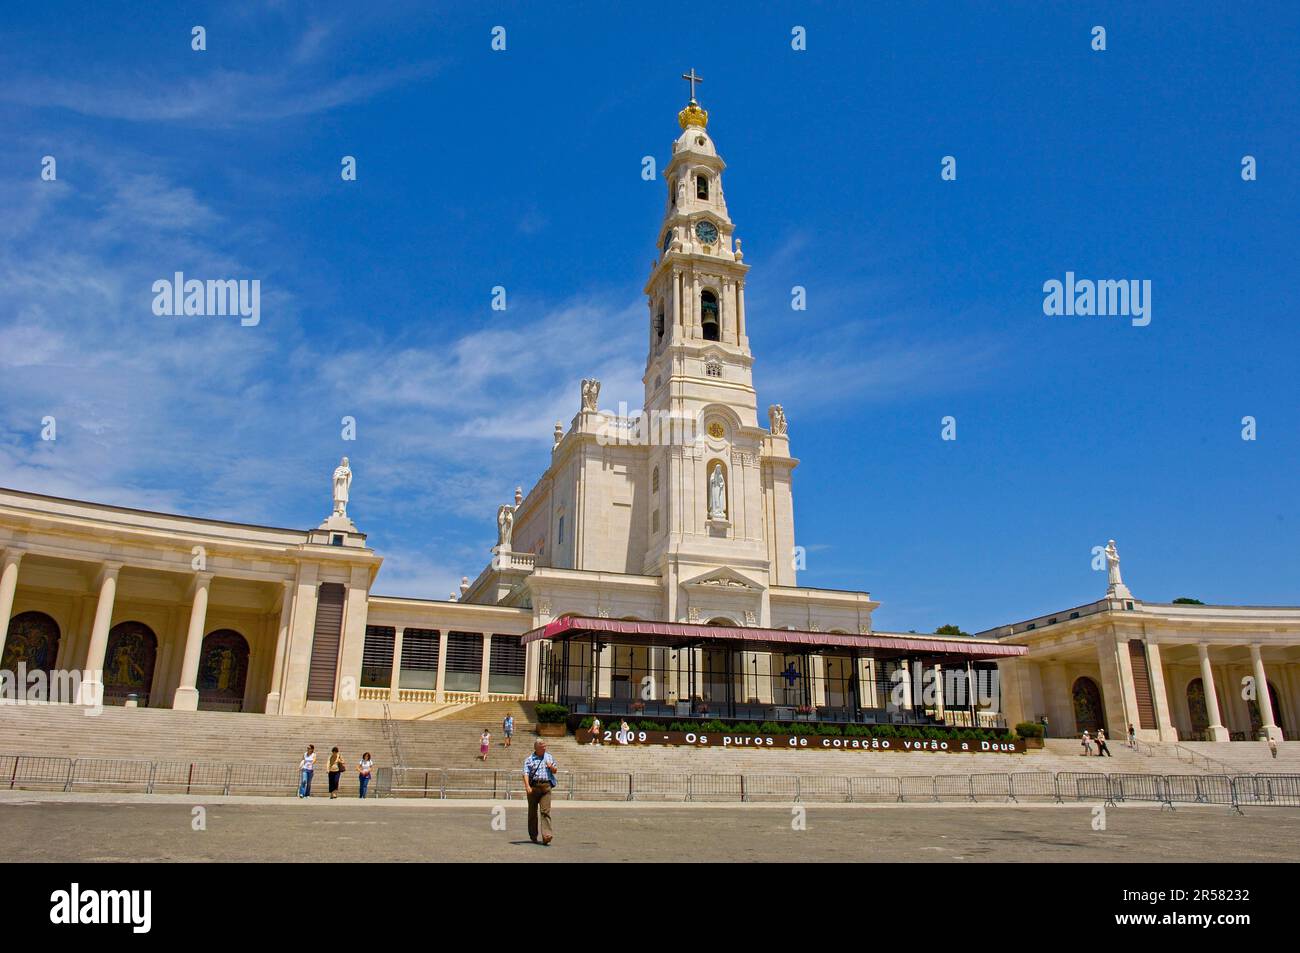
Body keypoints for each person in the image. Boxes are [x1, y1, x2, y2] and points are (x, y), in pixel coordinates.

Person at [522, 740, 559, 845]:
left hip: (546, 787)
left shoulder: (549, 757)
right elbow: (525, 773)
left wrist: (551, 767)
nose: (545, 748)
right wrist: (527, 786)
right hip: (534, 787)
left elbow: (555, 770)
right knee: (532, 812)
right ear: (536, 748)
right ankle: (533, 835)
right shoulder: (529, 759)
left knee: (545, 811)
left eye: (545, 746)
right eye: (542, 746)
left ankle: (547, 835)